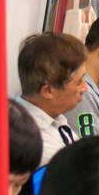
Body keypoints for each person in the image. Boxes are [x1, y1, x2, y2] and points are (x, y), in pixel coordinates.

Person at [15, 32, 88, 165]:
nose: (85, 88)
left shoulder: (55, 119)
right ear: (48, 91)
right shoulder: (38, 145)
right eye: (79, 82)